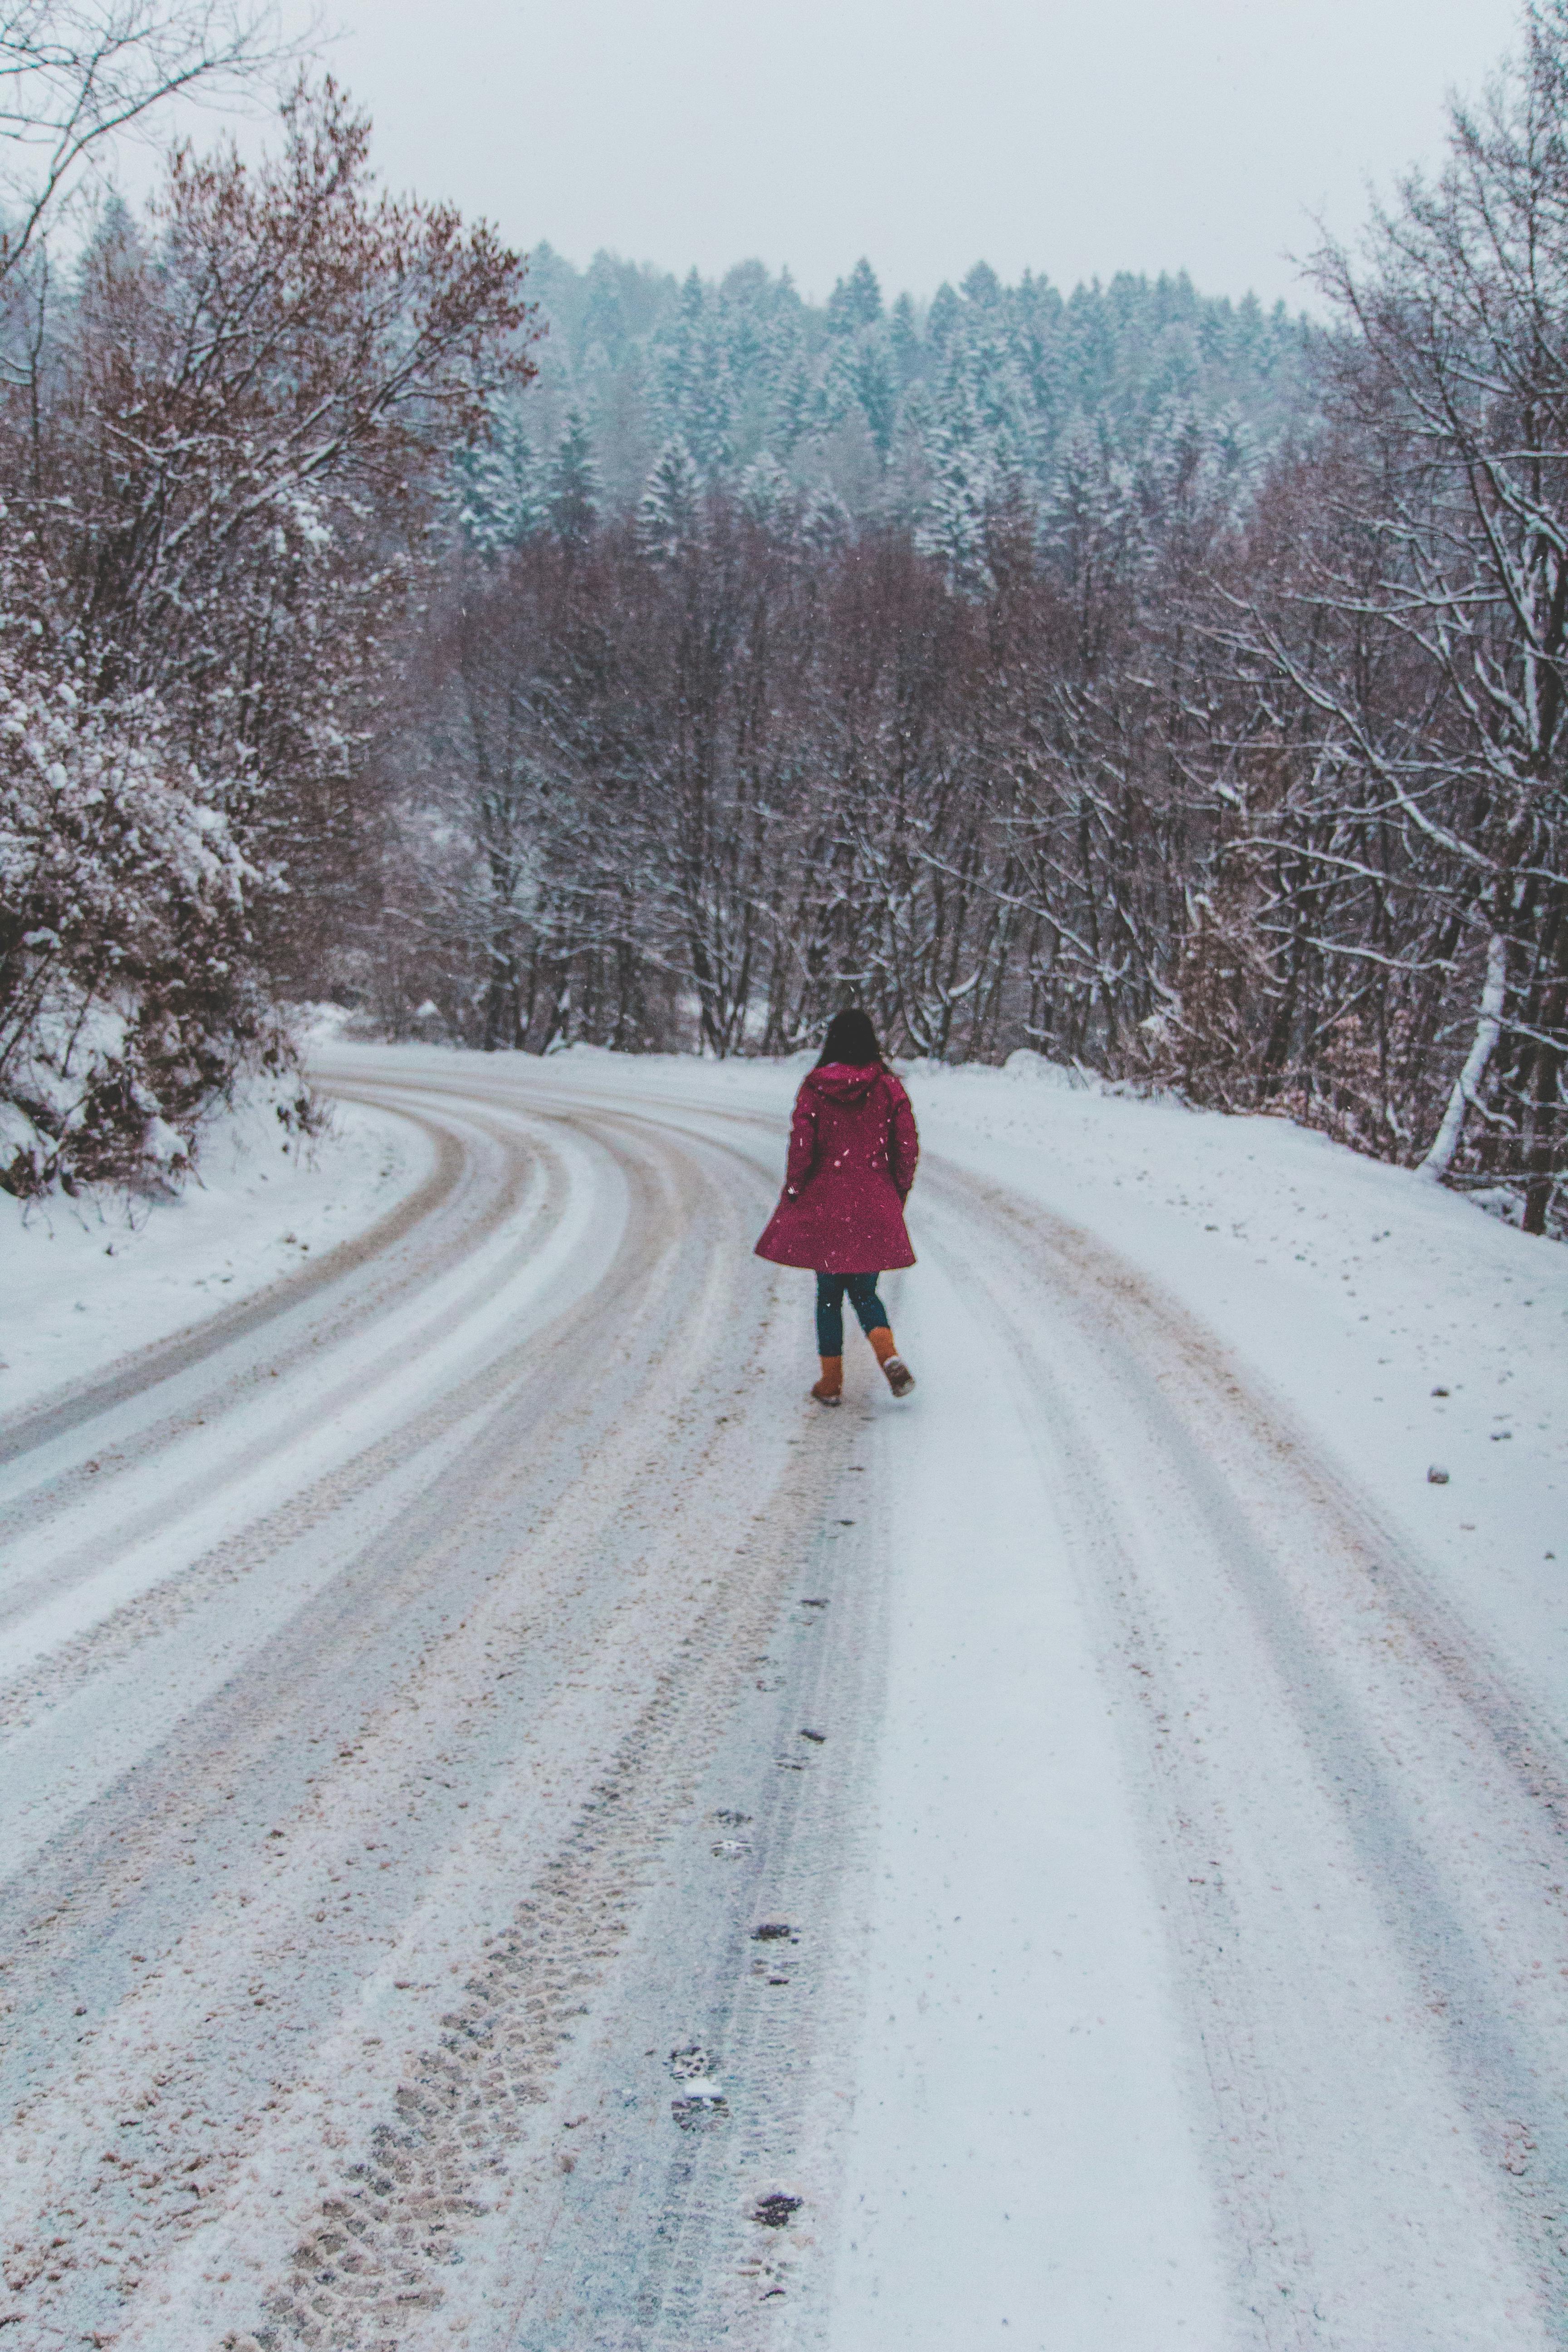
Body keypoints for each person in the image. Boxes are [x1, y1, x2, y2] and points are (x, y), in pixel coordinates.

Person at [755, 1009, 918, 1405]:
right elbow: (907, 1149)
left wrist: (796, 1188)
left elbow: (802, 1147)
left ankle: (830, 1383)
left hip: (826, 1205)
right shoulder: (889, 1088)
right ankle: (888, 1354)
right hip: (874, 1202)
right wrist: (894, 1195)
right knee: (865, 1292)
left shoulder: (815, 1087)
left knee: (828, 1296)